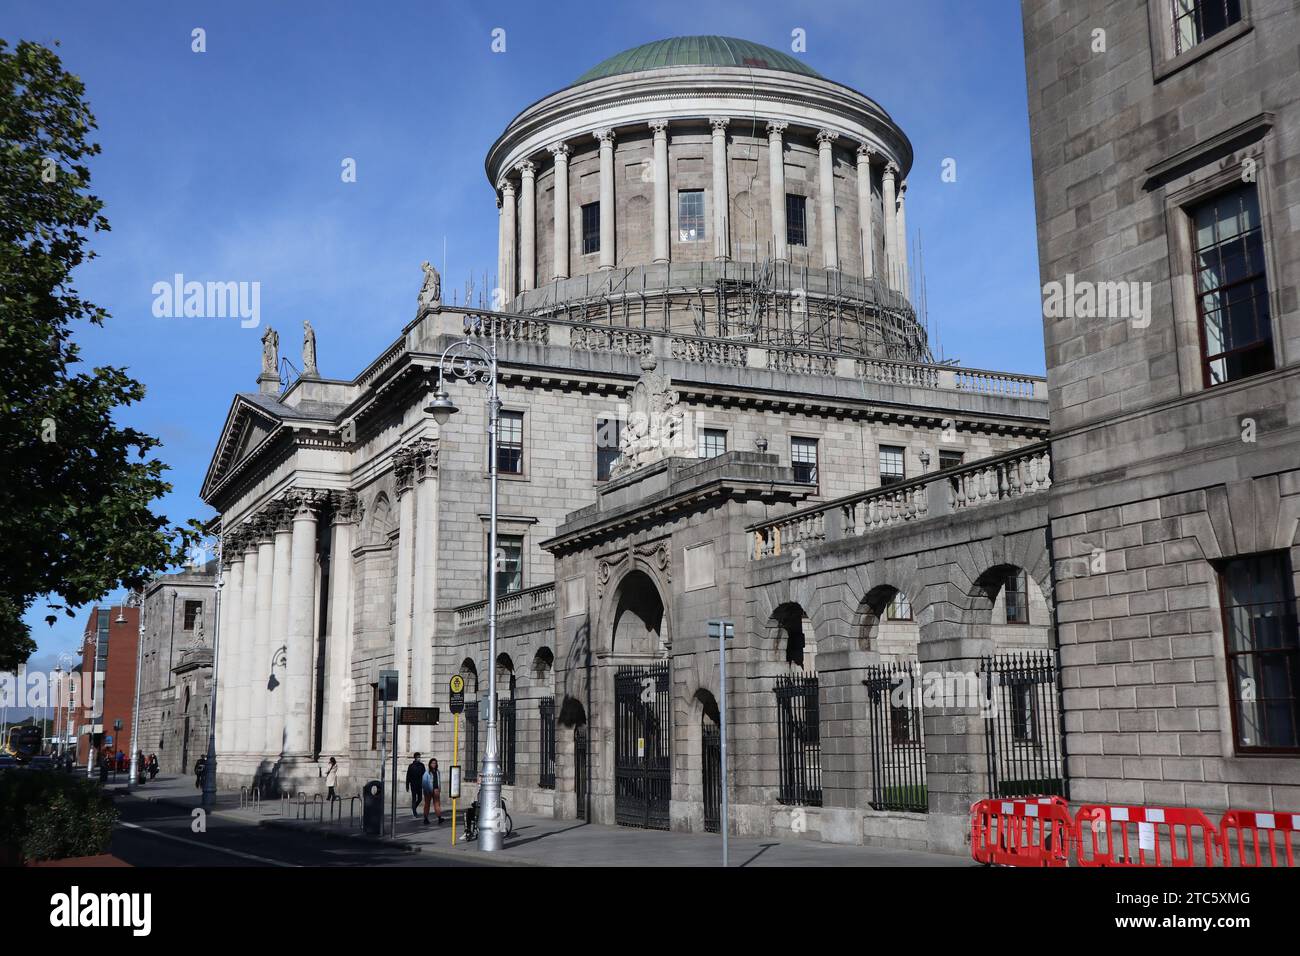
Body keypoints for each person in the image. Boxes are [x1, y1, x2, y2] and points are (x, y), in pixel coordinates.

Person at [421, 758, 443, 826]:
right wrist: (426, 791)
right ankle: (425, 818)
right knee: (427, 805)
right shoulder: (427, 772)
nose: (434, 764)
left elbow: (439, 781)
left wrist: (439, 789)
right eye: (432, 763)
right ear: (430, 764)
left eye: (435, 763)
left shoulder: (437, 771)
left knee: (437, 804)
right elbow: (424, 782)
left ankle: (439, 817)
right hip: (428, 790)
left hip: (436, 790)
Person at [405, 753, 425, 818]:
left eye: (419, 757)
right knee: (414, 798)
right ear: (415, 758)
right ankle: (414, 811)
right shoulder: (411, 766)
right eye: (418, 757)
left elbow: (424, 775)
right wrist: (407, 785)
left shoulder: (422, 765)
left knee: (420, 798)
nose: (419, 758)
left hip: (419, 784)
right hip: (413, 785)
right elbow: (408, 776)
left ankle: (414, 807)